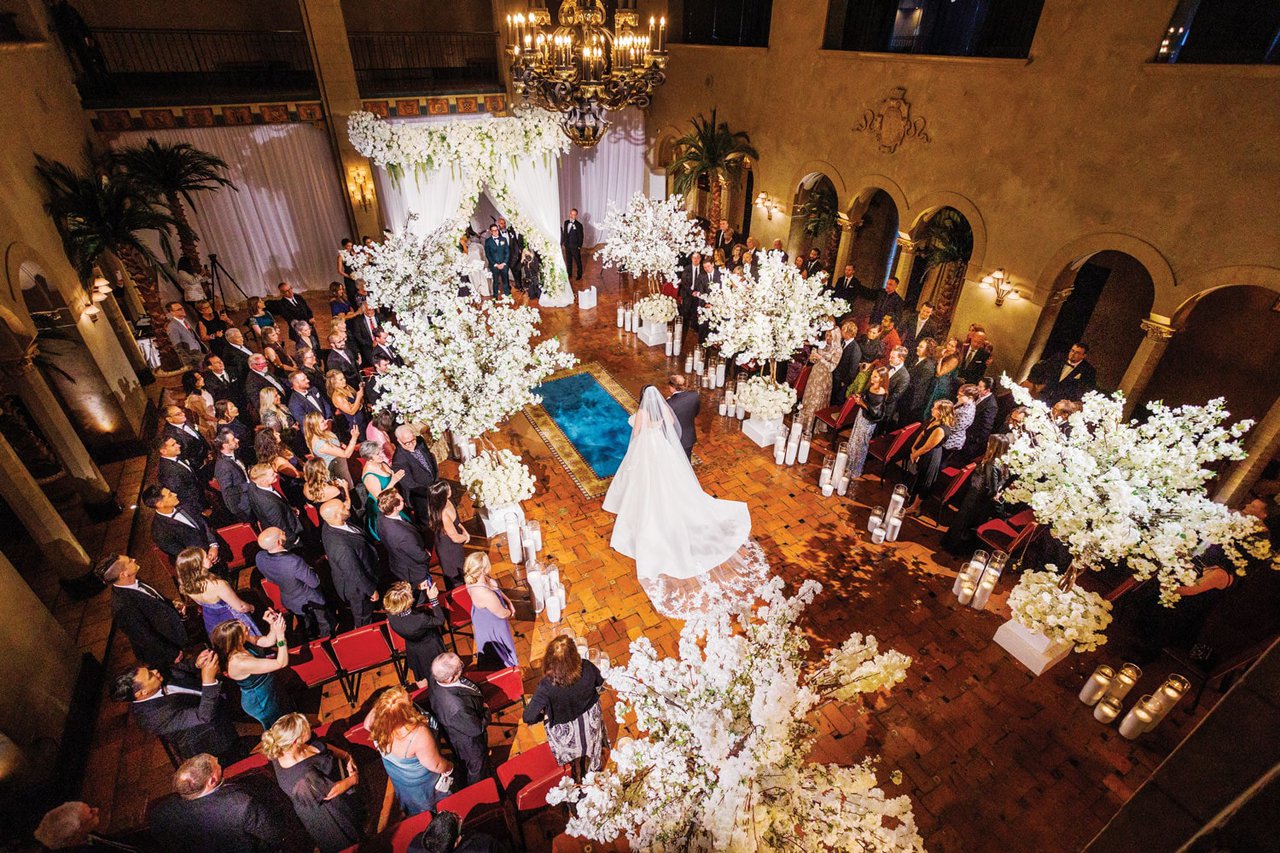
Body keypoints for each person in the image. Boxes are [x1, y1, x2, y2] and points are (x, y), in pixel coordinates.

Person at [602, 387, 751, 596]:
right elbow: (672, 423)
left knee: (643, 481)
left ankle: (645, 511)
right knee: (669, 479)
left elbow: (636, 434)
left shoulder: (642, 414)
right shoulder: (663, 409)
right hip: (661, 447)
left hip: (646, 448)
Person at [111, 649, 239, 765]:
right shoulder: (152, 718)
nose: (154, 671)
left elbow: (180, 669)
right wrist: (209, 682)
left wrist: (196, 663)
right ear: (141, 693)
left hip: (219, 707)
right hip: (211, 739)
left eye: (149, 670)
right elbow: (203, 716)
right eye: (150, 676)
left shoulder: (158, 675)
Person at [261, 713, 362, 853]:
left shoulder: (284, 748)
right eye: (305, 727)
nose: (310, 726)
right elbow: (331, 792)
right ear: (296, 741)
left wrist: (345, 756)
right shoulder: (303, 779)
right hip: (328, 813)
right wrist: (353, 779)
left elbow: (322, 746)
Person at [147, 753, 288, 852]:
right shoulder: (240, 805)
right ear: (212, 781)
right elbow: (274, 835)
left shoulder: (159, 812)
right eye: (217, 765)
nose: (219, 764)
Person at [522, 635, 606, 781]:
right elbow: (601, 686)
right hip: (590, 722)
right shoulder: (587, 666)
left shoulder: (546, 686)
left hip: (566, 731)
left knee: (571, 761)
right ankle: (593, 771)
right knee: (593, 746)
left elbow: (528, 717)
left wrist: (543, 715)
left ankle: (573, 776)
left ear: (548, 661)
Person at [365, 686, 454, 816]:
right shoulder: (417, 734)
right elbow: (435, 765)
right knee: (430, 807)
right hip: (422, 784)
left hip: (401, 778)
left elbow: (366, 724)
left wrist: (385, 704)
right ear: (403, 714)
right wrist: (449, 767)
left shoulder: (376, 722)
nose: (411, 697)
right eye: (409, 699)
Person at [95, 553, 187, 670]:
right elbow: (145, 637)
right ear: (123, 574)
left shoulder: (133, 580)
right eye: (129, 561)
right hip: (167, 650)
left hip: (174, 631)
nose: (134, 559)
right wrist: (172, 653)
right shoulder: (123, 608)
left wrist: (171, 605)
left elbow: (153, 597)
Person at [211, 610, 292, 730]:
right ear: (237, 638)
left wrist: (272, 625)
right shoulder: (240, 662)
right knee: (278, 728)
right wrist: (281, 636)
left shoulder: (240, 644)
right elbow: (281, 663)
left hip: (267, 690)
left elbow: (268, 641)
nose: (248, 627)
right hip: (260, 700)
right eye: (245, 629)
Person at [255, 527, 333, 639]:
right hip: (310, 599)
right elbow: (314, 582)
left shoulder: (260, 557)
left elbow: (270, 578)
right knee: (325, 624)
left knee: (307, 626)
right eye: (282, 533)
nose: (284, 532)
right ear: (278, 542)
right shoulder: (294, 562)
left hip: (289, 600)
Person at [942, 435, 1012, 554]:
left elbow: (992, 488)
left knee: (963, 521)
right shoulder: (1004, 463)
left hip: (976, 496)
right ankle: (963, 547)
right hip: (982, 501)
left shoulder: (991, 464)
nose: (987, 444)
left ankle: (953, 547)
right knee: (972, 523)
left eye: (990, 443)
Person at [428, 653, 491, 785]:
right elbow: (476, 729)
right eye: (460, 666)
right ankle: (480, 790)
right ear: (450, 678)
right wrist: (486, 711)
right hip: (469, 743)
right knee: (477, 769)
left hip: (453, 727)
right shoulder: (456, 707)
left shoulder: (435, 675)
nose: (463, 666)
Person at [319, 497, 380, 626]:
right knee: (363, 617)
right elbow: (355, 573)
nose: (347, 505)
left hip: (366, 572)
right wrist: (370, 590)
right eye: (343, 507)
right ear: (336, 516)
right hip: (358, 590)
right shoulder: (341, 547)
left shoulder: (330, 524)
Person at [175, 546, 258, 640]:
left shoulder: (185, 584)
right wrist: (251, 607)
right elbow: (241, 607)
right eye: (206, 556)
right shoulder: (218, 585)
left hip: (211, 619)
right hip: (231, 618)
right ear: (198, 565)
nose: (209, 557)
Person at [144, 485, 226, 572]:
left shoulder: (185, 504)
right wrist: (204, 560)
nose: (175, 494)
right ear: (160, 504)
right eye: (170, 495)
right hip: (202, 568)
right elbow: (181, 554)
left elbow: (204, 523)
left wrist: (213, 545)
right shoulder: (159, 531)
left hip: (219, 555)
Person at [384, 581, 446, 688]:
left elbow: (406, 608)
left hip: (413, 649)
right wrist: (433, 599)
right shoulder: (420, 619)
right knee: (441, 673)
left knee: (420, 675)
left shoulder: (391, 616)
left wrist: (418, 589)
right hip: (431, 648)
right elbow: (440, 620)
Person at [464, 552, 518, 668]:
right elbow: (502, 614)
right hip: (493, 622)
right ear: (483, 569)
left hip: (486, 614)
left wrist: (508, 601)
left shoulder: (474, 578)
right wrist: (510, 611)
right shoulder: (485, 594)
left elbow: (496, 589)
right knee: (501, 651)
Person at [903, 400, 956, 515]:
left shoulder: (940, 429)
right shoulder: (934, 420)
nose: (932, 409)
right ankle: (912, 497)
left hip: (930, 456)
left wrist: (915, 454)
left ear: (942, 412)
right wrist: (913, 447)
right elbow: (922, 434)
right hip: (921, 452)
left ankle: (915, 507)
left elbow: (928, 447)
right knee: (917, 476)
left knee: (924, 480)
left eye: (935, 408)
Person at [381, 490, 433, 596]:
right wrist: (426, 555)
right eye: (400, 499)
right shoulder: (403, 535)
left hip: (398, 563)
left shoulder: (381, 518)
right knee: (422, 596)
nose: (403, 499)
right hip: (415, 572)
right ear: (395, 508)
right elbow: (418, 555)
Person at [846, 367, 889, 480]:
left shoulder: (881, 392)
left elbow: (875, 412)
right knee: (854, 439)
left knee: (861, 444)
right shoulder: (871, 386)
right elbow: (865, 396)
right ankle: (849, 465)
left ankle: (856, 470)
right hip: (861, 416)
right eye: (872, 375)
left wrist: (861, 403)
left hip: (868, 421)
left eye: (875, 376)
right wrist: (860, 397)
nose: (872, 378)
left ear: (881, 379)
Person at [248, 464, 303, 550]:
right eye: (272, 474)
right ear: (264, 481)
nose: (276, 474)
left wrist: (289, 508)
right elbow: (280, 526)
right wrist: (295, 540)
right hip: (289, 536)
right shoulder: (269, 503)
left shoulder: (253, 486)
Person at [424, 480, 468, 589]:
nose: (450, 490)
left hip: (454, 543)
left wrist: (464, 530)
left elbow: (456, 522)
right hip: (449, 549)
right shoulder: (443, 514)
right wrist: (465, 537)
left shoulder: (447, 500)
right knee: (455, 575)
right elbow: (455, 538)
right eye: (448, 490)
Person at [392, 424, 438, 523]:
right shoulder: (398, 461)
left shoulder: (420, 441)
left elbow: (429, 458)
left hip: (434, 486)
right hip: (421, 498)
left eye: (413, 440)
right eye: (407, 443)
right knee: (428, 522)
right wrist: (431, 492)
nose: (412, 444)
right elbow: (410, 485)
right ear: (399, 441)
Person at [798, 325, 841, 427]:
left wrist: (820, 358)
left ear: (836, 337)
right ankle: (802, 422)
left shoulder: (838, 350)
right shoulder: (822, 344)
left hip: (824, 378)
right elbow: (813, 361)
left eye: (830, 336)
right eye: (827, 335)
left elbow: (831, 367)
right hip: (814, 374)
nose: (828, 338)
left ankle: (810, 425)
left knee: (816, 401)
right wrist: (813, 357)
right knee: (808, 398)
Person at [362, 439, 405, 541]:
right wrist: (394, 481)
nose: (382, 454)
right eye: (378, 454)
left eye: (381, 451)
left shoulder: (380, 462)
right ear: (369, 459)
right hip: (383, 506)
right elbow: (379, 497)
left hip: (393, 498)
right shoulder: (369, 475)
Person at [407, 809, 505, 853]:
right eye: (458, 820)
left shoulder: (414, 846)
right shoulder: (484, 846)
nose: (457, 814)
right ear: (456, 842)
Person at [304, 411, 359, 486]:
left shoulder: (321, 432)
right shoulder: (320, 444)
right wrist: (354, 438)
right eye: (322, 421)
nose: (326, 421)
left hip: (341, 466)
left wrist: (340, 444)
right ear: (315, 426)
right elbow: (346, 454)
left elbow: (332, 444)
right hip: (337, 472)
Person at [1030, 342, 1097, 403]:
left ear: (1084, 356)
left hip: (1062, 402)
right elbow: (1040, 368)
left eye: (1077, 353)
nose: (1072, 354)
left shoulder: (1089, 370)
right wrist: (1035, 384)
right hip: (1044, 394)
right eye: (1072, 351)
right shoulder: (1058, 357)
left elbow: (1085, 390)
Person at [157, 435, 205, 514]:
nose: (178, 445)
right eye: (173, 445)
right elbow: (184, 495)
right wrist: (201, 510)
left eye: (176, 443)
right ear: (163, 451)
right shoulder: (170, 473)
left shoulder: (175, 456)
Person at [960, 376, 1000, 463]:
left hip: (971, 440)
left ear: (987, 390)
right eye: (978, 385)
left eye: (980, 387)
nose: (977, 388)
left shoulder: (991, 405)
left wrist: (975, 441)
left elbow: (986, 427)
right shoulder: (978, 396)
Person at [921, 337, 962, 421]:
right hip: (934, 382)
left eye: (952, 346)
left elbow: (939, 373)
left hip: (941, 386)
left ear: (957, 349)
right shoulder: (943, 351)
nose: (949, 347)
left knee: (930, 408)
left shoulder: (954, 359)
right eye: (949, 344)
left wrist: (941, 359)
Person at [664, 374, 700, 459]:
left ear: (672, 387)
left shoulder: (669, 403)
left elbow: (667, 422)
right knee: (687, 462)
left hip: (674, 438)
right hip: (689, 437)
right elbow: (696, 412)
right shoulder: (694, 395)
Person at [162, 405, 209, 470]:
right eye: (178, 414)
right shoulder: (171, 437)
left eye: (182, 411)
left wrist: (207, 450)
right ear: (169, 419)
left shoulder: (183, 420)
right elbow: (182, 457)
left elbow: (197, 436)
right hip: (199, 466)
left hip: (206, 455)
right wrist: (200, 463)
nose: (183, 414)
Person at [903, 338, 938, 424]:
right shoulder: (918, 359)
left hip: (912, 401)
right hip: (906, 396)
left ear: (928, 350)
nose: (917, 348)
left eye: (921, 347)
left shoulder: (928, 366)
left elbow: (917, 384)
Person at [942, 383, 978, 465]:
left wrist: (941, 420)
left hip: (950, 441)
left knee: (939, 462)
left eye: (961, 395)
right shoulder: (963, 402)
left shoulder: (966, 412)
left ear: (970, 397)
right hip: (946, 433)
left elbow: (954, 427)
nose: (957, 397)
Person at [829, 319, 863, 407]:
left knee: (836, 401)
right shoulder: (842, 342)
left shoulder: (855, 350)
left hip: (841, 381)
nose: (840, 332)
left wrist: (844, 382)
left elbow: (852, 370)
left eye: (842, 330)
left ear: (848, 333)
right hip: (834, 376)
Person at [326, 369, 366, 438]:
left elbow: (358, 402)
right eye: (341, 380)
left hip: (362, 419)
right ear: (334, 383)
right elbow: (351, 411)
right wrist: (358, 397)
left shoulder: (347, 387)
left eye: (344, 378)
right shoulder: (337, 396)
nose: (344, 380)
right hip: (354, 426)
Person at [182, 371, 217, 442]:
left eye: (201, 376)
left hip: (214, 416)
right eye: (198, 379)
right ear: (192, 383)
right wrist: (219, 420)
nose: (202, 379)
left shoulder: (203, 390)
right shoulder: (194, 398)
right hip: (210, 423)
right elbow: (204, 416)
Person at [166, 302, 204, 366]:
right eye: (179, 309)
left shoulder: (185, 320)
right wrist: (190, 361)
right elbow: (178, 347)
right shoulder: (172, 327)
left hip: (199, 353)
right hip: (192, 358)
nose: (182, 310)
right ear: (172, 312)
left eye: (182, 308)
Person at [483, 223, 511, 297]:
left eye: (496, 230)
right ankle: (495, 296)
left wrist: (504, 263)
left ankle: (507, 294)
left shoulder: (503, 239)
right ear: (491, 231)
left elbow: (507, 252)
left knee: (505, 280)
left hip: (504, 264)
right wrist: (495, 264)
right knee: (495, 281)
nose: (495, 232)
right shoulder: (488, 241)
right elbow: (488, 254)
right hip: (494, 265)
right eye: (493, 230)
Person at [561, 207, 584, 281]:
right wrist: (564, 242)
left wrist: (579, 246)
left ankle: (579, 274)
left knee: (578, 261)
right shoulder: (566, 222)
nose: (571, 216)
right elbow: (565, 233)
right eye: (571, 214)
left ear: (576, 216)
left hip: (575, 246)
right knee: (568, 261)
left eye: (573, 215)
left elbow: (581, 236)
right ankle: (569, 274)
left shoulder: (579, 225)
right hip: (567, 246)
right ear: (569, 213)